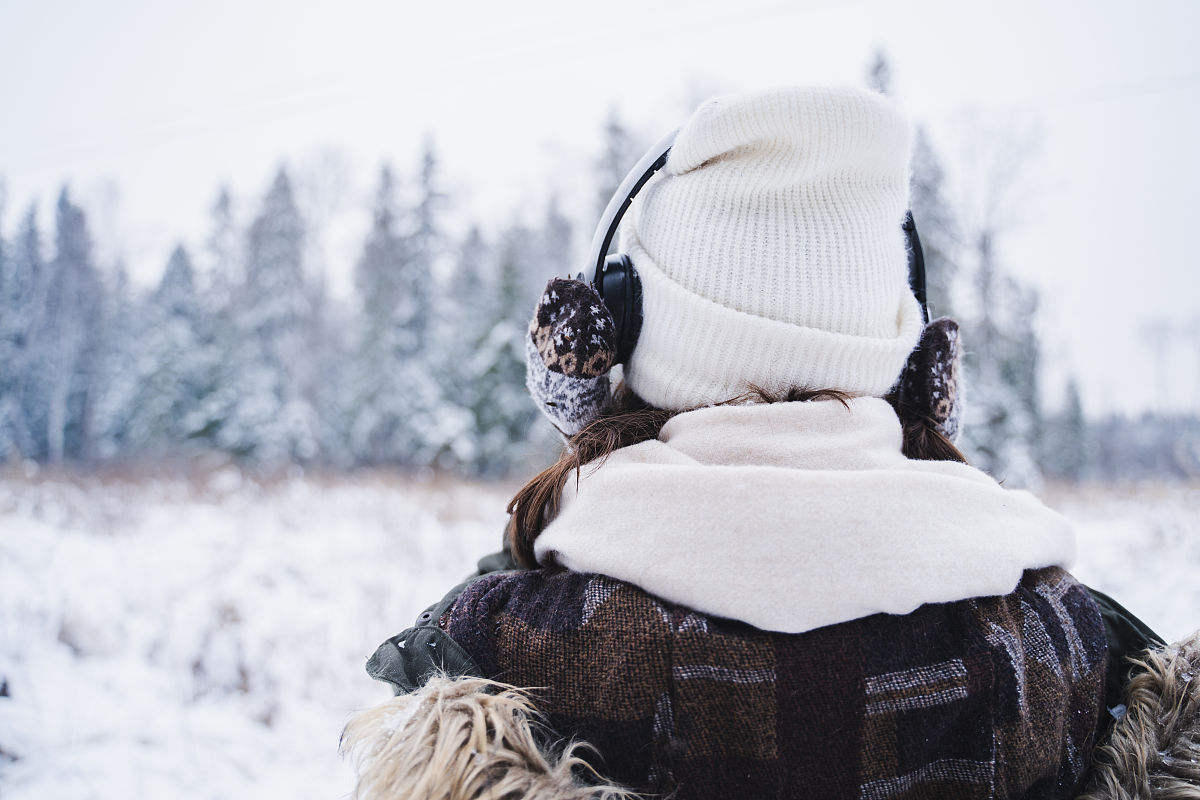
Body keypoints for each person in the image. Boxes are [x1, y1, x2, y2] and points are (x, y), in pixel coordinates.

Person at [341, 87, 1199, 800]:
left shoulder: (500, 662)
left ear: (625, 328)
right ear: (905, 368)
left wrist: (585, 456)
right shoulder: (1068, 645)